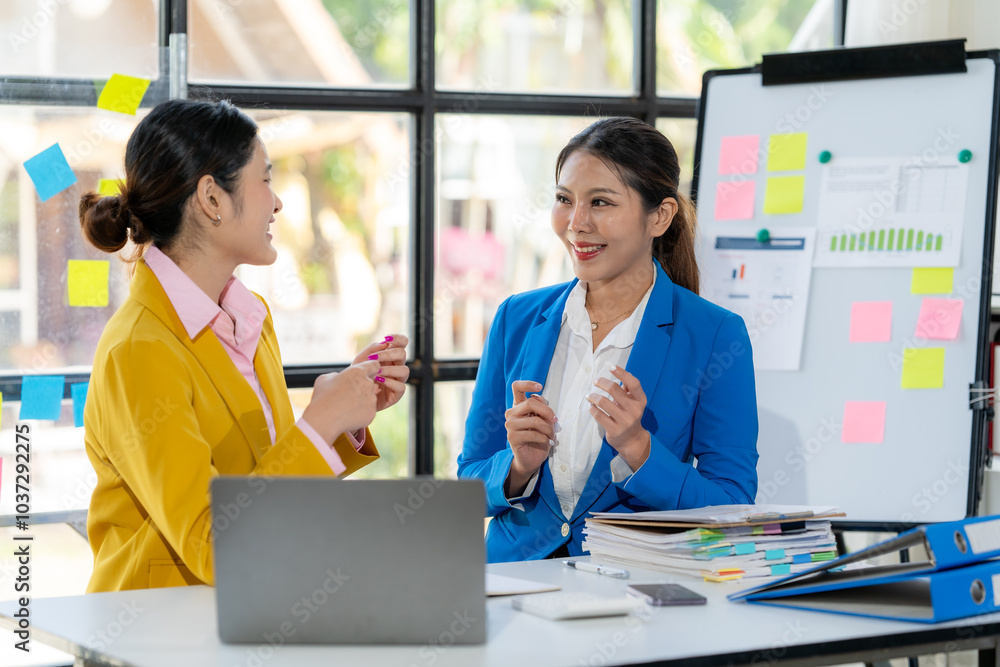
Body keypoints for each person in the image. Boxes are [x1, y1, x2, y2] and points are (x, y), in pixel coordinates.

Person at [78, 99, 409, 592]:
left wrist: (345, 416)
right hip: (155, 638)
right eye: (266, 179)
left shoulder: (250, 319)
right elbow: (214, 542)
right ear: (212, 198)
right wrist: (319, 425)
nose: (278, 203)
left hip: (249, 616)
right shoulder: (139, 349)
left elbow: (266, 488)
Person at [458, 117, 758, 562]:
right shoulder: (515, 319)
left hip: (634, 591)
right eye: (564, 199)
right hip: (514, 588)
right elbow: (468, 486)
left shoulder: (714, 334)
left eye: (600, 202)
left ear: (660, 216)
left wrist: (638, 448)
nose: (576, 224)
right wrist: (518, 466)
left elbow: (732, 508)